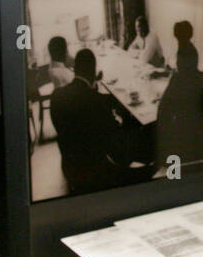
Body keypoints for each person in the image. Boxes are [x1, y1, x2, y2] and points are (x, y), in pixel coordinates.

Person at [48, 48, 150, 194]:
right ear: (93, 71)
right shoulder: (95, 101)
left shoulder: (57, 96)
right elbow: (118, 150)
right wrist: (127, 120)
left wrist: (94, 85)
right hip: (97, 175)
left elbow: (82, 100)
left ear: (75, 69)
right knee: (147, 152)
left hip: (70, 167)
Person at [154, 41, 203, 169]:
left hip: (184, 148)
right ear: (196, 62)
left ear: (179, 64)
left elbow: (162, 114)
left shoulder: (176, 81)